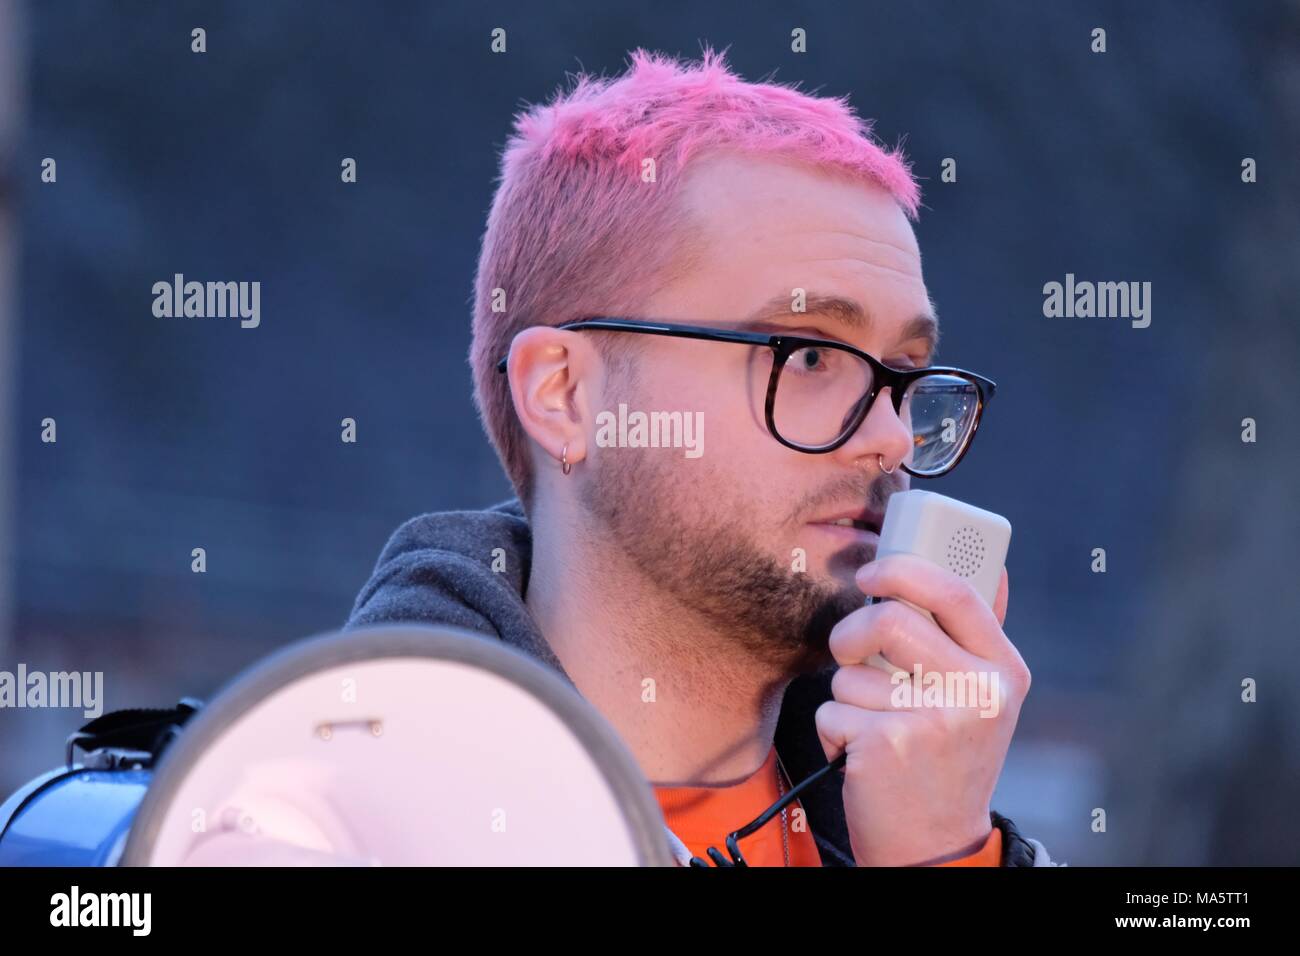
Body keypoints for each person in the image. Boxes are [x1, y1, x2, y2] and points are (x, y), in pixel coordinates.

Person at [347, 48, 1056, 867]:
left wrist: (946, 855)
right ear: (566, 396)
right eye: (810, 356)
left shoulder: (924, 824)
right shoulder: (316, 825)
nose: (894, 437)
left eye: (904, 375)